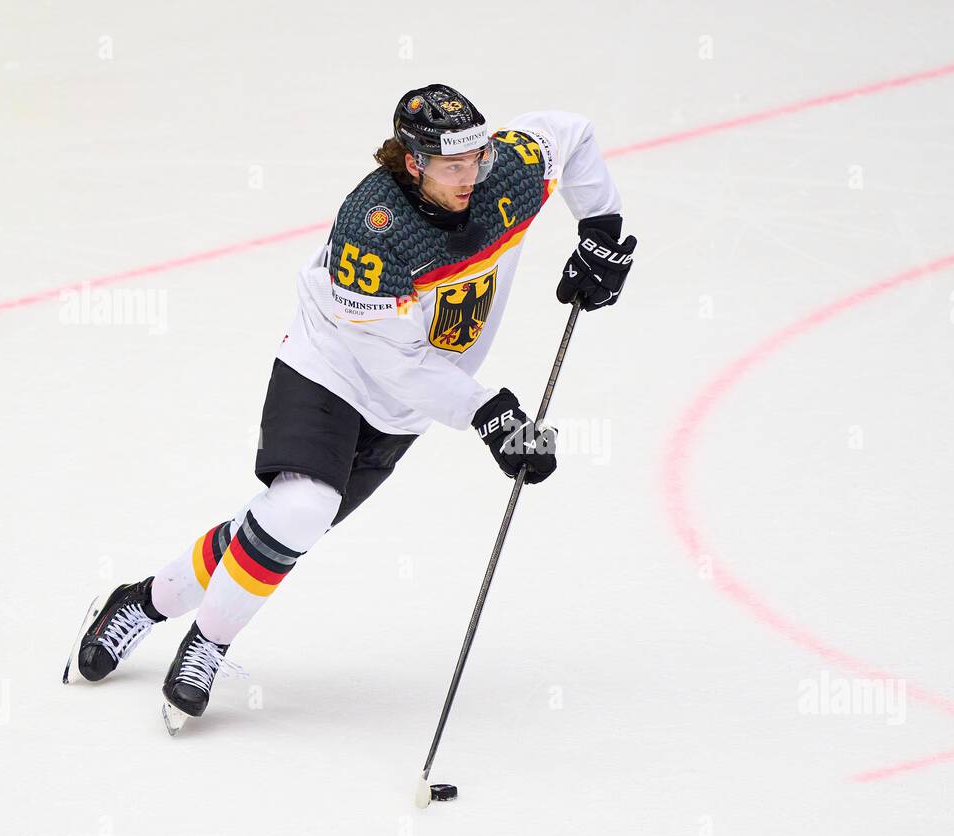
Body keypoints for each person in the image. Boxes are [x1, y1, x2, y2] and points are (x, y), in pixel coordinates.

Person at [63, 84, 637, 731]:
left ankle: (142, 602)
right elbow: (398, 363)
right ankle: (207, 646)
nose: (471, 177)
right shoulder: (374, 232)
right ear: (412, 164)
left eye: (475, 158)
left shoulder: (504, 172)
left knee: (278, 527)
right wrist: (491, 414)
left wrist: (601, 228)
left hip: (409, 408)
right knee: (302, 510)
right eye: (453, 166)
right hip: (330, 369)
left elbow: (573, 134)